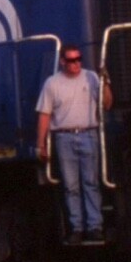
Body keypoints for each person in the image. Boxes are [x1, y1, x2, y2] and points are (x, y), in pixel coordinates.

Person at [35, 44, 113, 244]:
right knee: (71, 186)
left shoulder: (91, 77)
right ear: (62, 61)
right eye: (71, 60)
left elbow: (107, 104)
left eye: (79, 59)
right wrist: (40, 144)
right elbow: (44, 114)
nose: (76, 63)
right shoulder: (52, 84)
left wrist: (105, 83)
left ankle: (95, 226)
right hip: (64, 137)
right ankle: (76, 228)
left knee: (91, 183)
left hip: (89, 134)